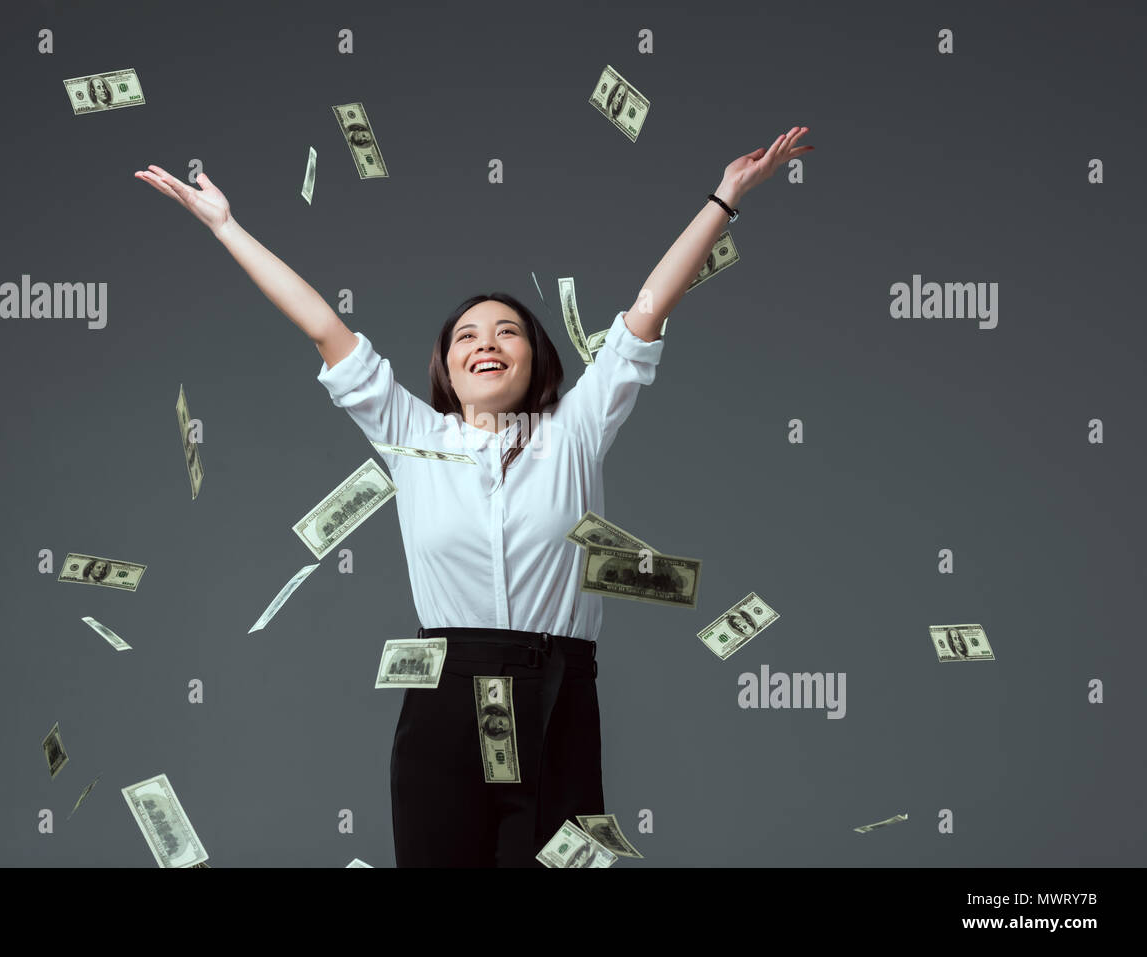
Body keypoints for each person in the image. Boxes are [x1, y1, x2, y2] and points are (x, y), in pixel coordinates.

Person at [134, 125, 814, 867]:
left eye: (507, 332)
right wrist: (226, 226)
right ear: (447, 367)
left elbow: (647, 311)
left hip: (558, 693)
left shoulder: (576, 429)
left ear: (536, 358)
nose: (486, 343)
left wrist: (725, 197)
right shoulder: (408, 433)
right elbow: (323, 325)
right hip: (445, 700)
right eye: (466, 336)